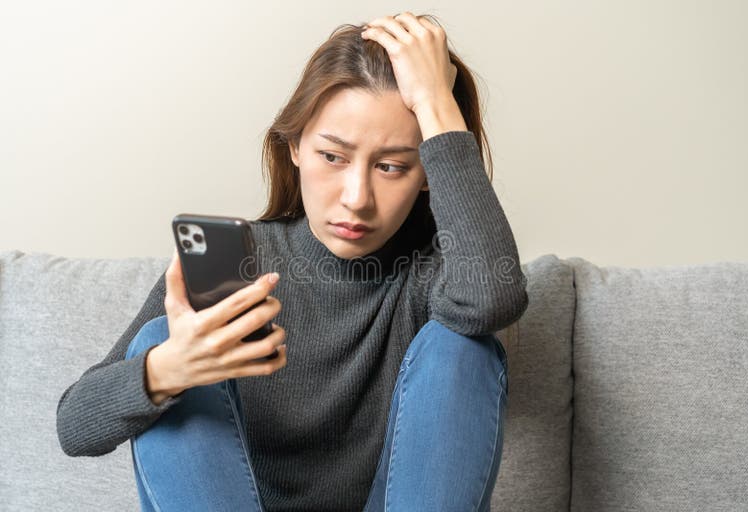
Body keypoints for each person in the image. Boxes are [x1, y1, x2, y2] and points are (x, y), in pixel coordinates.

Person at [56, 11, 528, 512]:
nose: (356, 198)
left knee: (464, 346)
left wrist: (436, 104)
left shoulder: (437, 277)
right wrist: (168, 370)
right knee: (160, 345)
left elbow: (493, 300)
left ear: (427, 171)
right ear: (296, 146)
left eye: (392, 166)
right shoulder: (238, 264)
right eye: (333, 156)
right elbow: (75, 426)